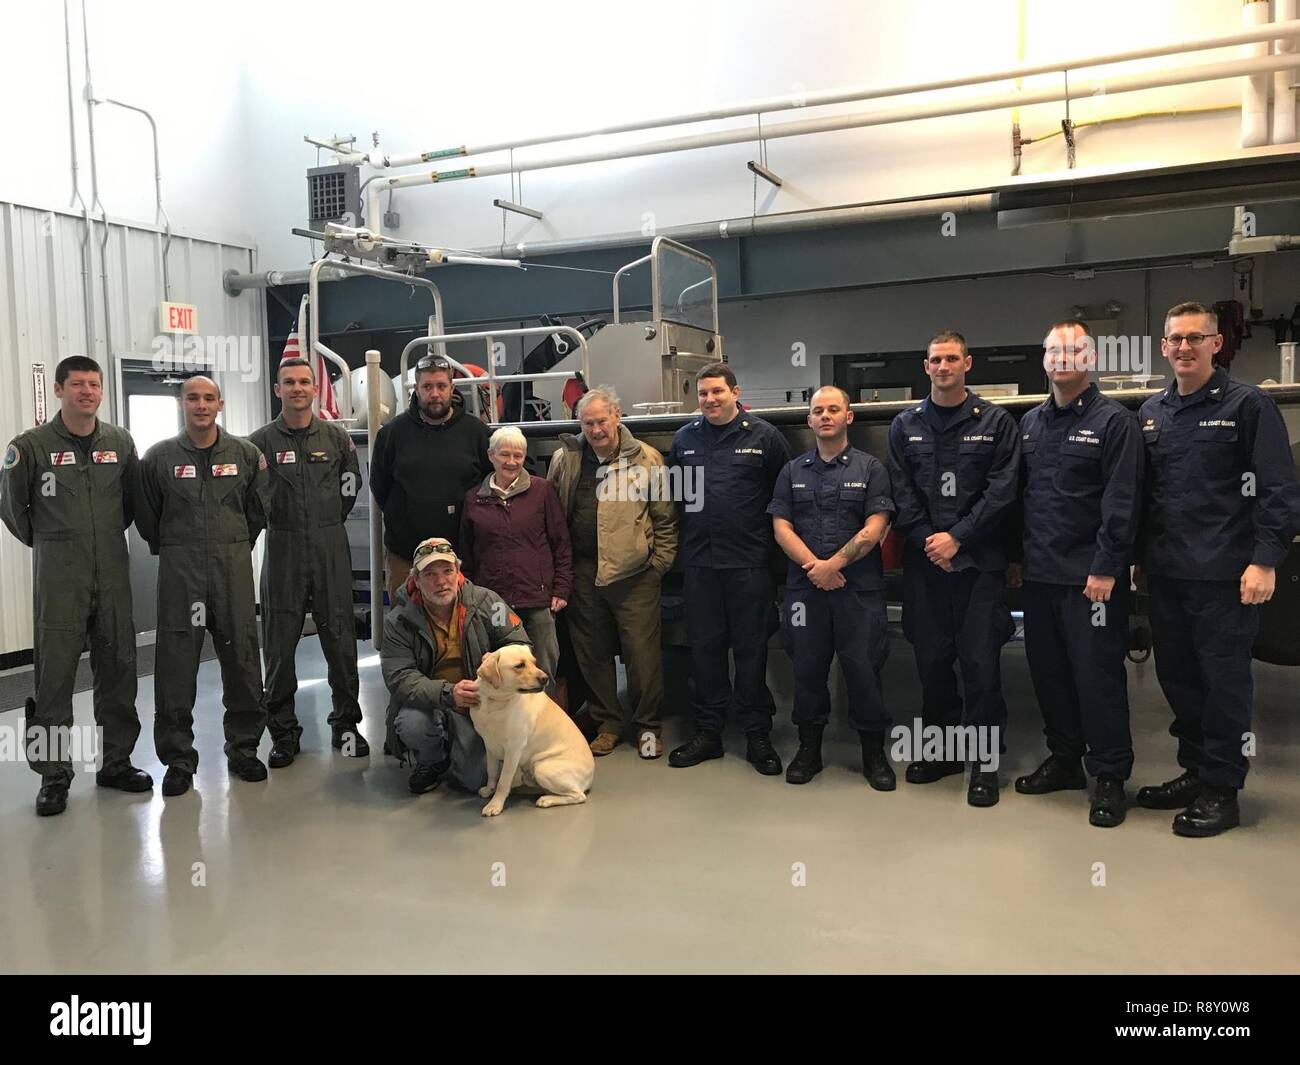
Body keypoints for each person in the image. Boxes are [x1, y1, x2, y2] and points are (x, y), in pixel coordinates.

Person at [1135, 300, 1300, 836]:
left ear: (1215, 344)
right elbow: (1147, 497)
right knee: (1179, 680)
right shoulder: (1152, 412)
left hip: (1227, 577)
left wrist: (1266, 560)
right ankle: (1196, 772)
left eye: (1194, 338)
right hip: (1166, 573)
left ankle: (1223, 791)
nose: (1184, 347)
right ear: (1163, 347)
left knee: (1223, 684)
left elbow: (1278, 489)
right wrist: (1139, 560)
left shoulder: (1247, 405)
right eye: (1175, 339)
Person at [0, 355, 151, 816]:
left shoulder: (120, 442)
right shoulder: (31, 446)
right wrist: (52, 541)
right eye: (78, 385)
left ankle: (116, 763)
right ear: (61, 390)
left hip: (111, 570)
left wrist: (101, 536)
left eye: (94, 384)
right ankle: (54, 776)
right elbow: (11, 507)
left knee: (119, 666)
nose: (87, 392)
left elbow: (130, 502)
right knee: (54, 676)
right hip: (59, 576)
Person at [1009, 321, 1142, 828]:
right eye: (1053, 351)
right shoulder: (1031, 424)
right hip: (1040, 576)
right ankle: (1065, 759)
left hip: (1091, 579)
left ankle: (1108, 775)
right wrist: (1017, 559)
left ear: (1090, 359)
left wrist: (1107, 567)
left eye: (1072, 350)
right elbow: (1024, 500)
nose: (1062, 358)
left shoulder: (1115, 423)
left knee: (1098, 677)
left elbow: (1121, 502)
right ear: (1043, 360)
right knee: (1050, 674)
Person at [887, 330, 1020, 808]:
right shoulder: (906, 425)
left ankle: (985, 764)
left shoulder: (997, 422)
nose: (943, 367)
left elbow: (1003, 491)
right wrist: (931, 539)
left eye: (951, 359)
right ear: (926, 368)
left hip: (978, 565)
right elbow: (900, 492)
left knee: (981, 665)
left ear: (968, 363)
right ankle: (944, 751)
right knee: (932, 662)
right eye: (935, 360)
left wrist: (958, 537)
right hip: (926, 566)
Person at [135, 375, 271, 796]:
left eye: (208, 398)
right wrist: (177, 546)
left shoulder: (247, 455)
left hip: (231, 569)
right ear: (182, 404)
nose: (200, 405)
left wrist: (233, 546)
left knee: (243, 661)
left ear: (220, 404)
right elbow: (147, 517)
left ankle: (244, 749)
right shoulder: (158, 458)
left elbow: (257, 511)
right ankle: (178, 760)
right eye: (192, 397)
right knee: (176, 667)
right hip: (181, 572)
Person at [666, 362, 792, 774]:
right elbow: (676, 501)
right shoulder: (684, 440)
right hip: (701, 566)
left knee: (752, 652)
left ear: (735, 393)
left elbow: (783, 501)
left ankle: (757, 733)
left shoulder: (765, 438)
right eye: (703, 393)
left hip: (749, 566)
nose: (710, 399)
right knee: (705, 653)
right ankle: (709, 733)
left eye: (717, 392)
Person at [768, 386, 896, 789]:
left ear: (848, 417)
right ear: (809, 420)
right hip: (806, 590)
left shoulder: (871, 469)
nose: (825, 416)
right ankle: (809, 750)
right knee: (807, 670)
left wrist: (834, 565)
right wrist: (814, 567)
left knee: (863, 669)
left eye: (833, 409)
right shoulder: (792, 471)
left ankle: (874, 754)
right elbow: (780, 526)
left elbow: (876, 527)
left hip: (858, 589)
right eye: (817, 411)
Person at [249, 357, 368, 768]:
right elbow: (251, 496)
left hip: (329, 543)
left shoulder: (336, 439)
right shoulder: (259, 442)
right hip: (281, 547)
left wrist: (327, 517)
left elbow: (350, 484)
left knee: (341, 639)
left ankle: (346, 725)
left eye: (305, 381)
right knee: (280, 645)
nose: (298, 388)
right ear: (277, 389)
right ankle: (283, 733)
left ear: (315, 389)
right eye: (289, 382)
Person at [547, 387, 677, 758]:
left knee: (642, 656)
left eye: (602, 421)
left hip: (635, 575)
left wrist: (657, 567)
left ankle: (647, 726)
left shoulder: (646, 459)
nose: (596, 430)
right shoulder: (566, 459)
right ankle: (607, 724)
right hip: (583, 574)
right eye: (587, 423)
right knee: (592, 653)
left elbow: (664, 518)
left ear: (617, 417)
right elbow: (555, 518)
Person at [381, 536, 531, 794]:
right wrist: (448, 694)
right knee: (412, 724)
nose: (441, 582)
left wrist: (496, 660)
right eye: (429, 574)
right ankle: (432, 760)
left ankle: (457, 748)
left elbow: (520, 643)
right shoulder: (398, 621)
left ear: (458, 572)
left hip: (480, 702)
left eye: (447, 571)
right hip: (433, 703)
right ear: (415, 580)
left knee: (478, 780)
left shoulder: (488, 602)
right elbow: (400, 678)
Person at [369, 355, 491, 600]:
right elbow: (379, 486)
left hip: (461, 557)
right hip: (406, 557)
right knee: (406, 628)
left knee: (464, 629)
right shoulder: (392, 434)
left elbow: (489, 486)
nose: (434, 393)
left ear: (452, 388)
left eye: (441, 386)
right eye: (427, 387)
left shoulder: (476, 433)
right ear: (416, 389)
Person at [460, 425, 572, 690]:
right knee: (500, 670)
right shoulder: (474, 499)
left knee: (543, 669)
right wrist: (471, 597)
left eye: (518, 455)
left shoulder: (542, 491)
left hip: (536, 598)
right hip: (494, 602)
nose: (511, 462)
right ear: (491, 456)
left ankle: (542, 725)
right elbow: (467, 554)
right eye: (505, 454)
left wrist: (562, 588)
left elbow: (561, 543)